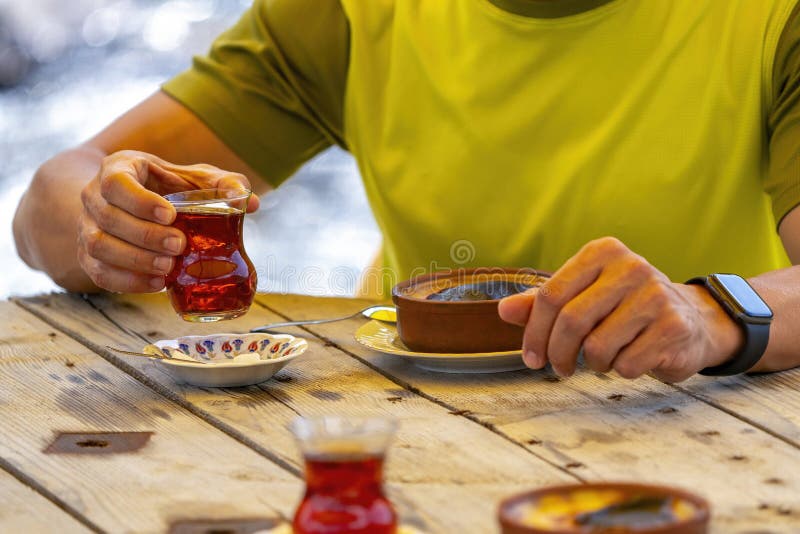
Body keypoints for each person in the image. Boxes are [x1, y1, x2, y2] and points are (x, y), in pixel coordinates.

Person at [13, 0, 800, 382]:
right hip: (396, 411)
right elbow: (50, 199)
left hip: (689, 417)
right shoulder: (351, 11)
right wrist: (101, 224)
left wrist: (708, 314)